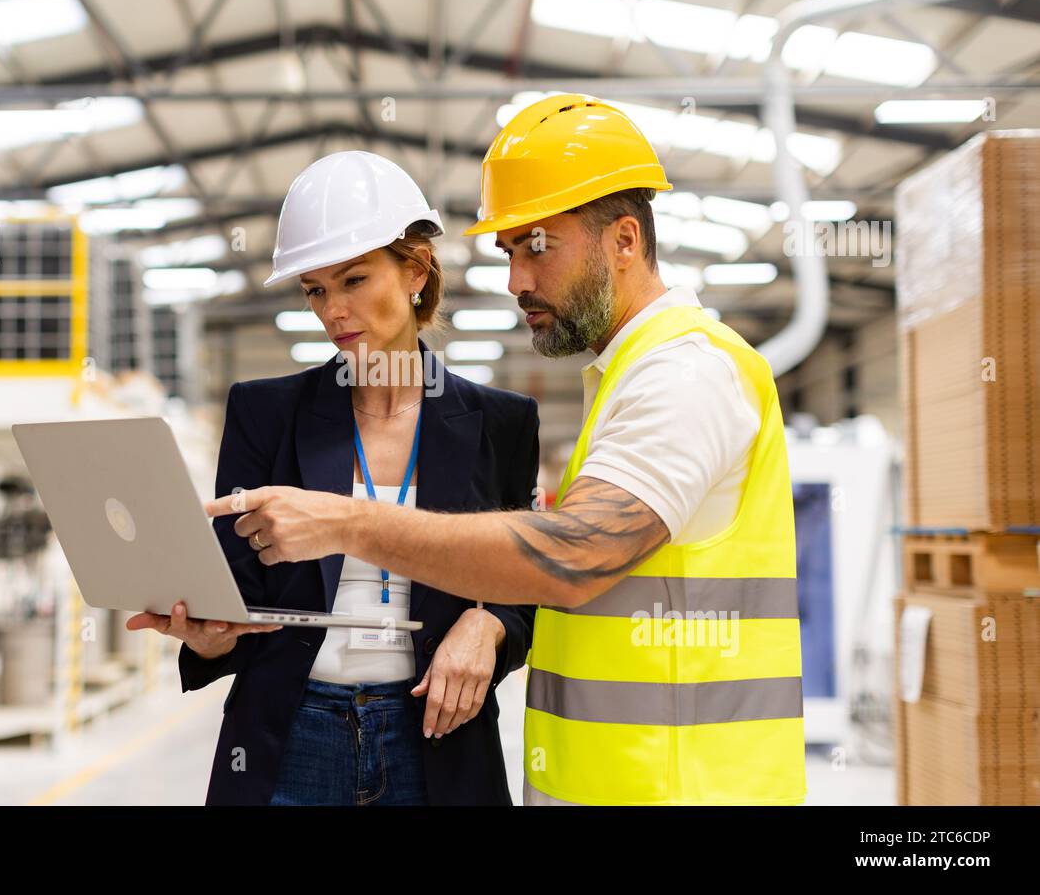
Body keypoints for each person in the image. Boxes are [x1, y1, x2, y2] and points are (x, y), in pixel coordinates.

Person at [206, 95, 807, 806]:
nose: (517, 281)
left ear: (623, 240)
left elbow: (570, 554)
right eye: (509, 252)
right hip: (620, 778)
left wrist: (349, 524)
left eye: (537, 248)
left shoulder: (683, 374)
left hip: (678, 785)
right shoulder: (624, 377)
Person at [129, 150, 539, 806]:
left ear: (415, 270)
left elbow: (524, 583)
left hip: (434, 737)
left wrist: (488, 624)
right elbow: (237, 582)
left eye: (353, 280)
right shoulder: (264, 413)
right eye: (316, 289)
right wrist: (209, 636)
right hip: (290, 738)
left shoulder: (500, 423)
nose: (332, 311)